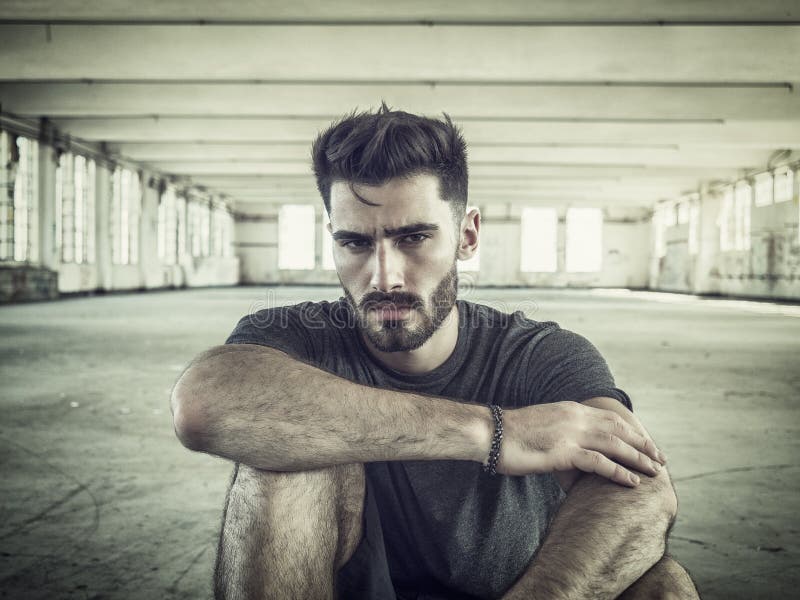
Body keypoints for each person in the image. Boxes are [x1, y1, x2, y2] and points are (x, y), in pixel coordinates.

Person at [170, 105, 700, 599]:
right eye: (355, 243)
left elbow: (641, 493)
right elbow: (202, 405)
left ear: (467, 235)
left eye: (414, 237)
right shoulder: (296, 336)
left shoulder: (540, 354)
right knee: (281, 461)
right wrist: (496, 433)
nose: (384, 277)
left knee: (665, 585)